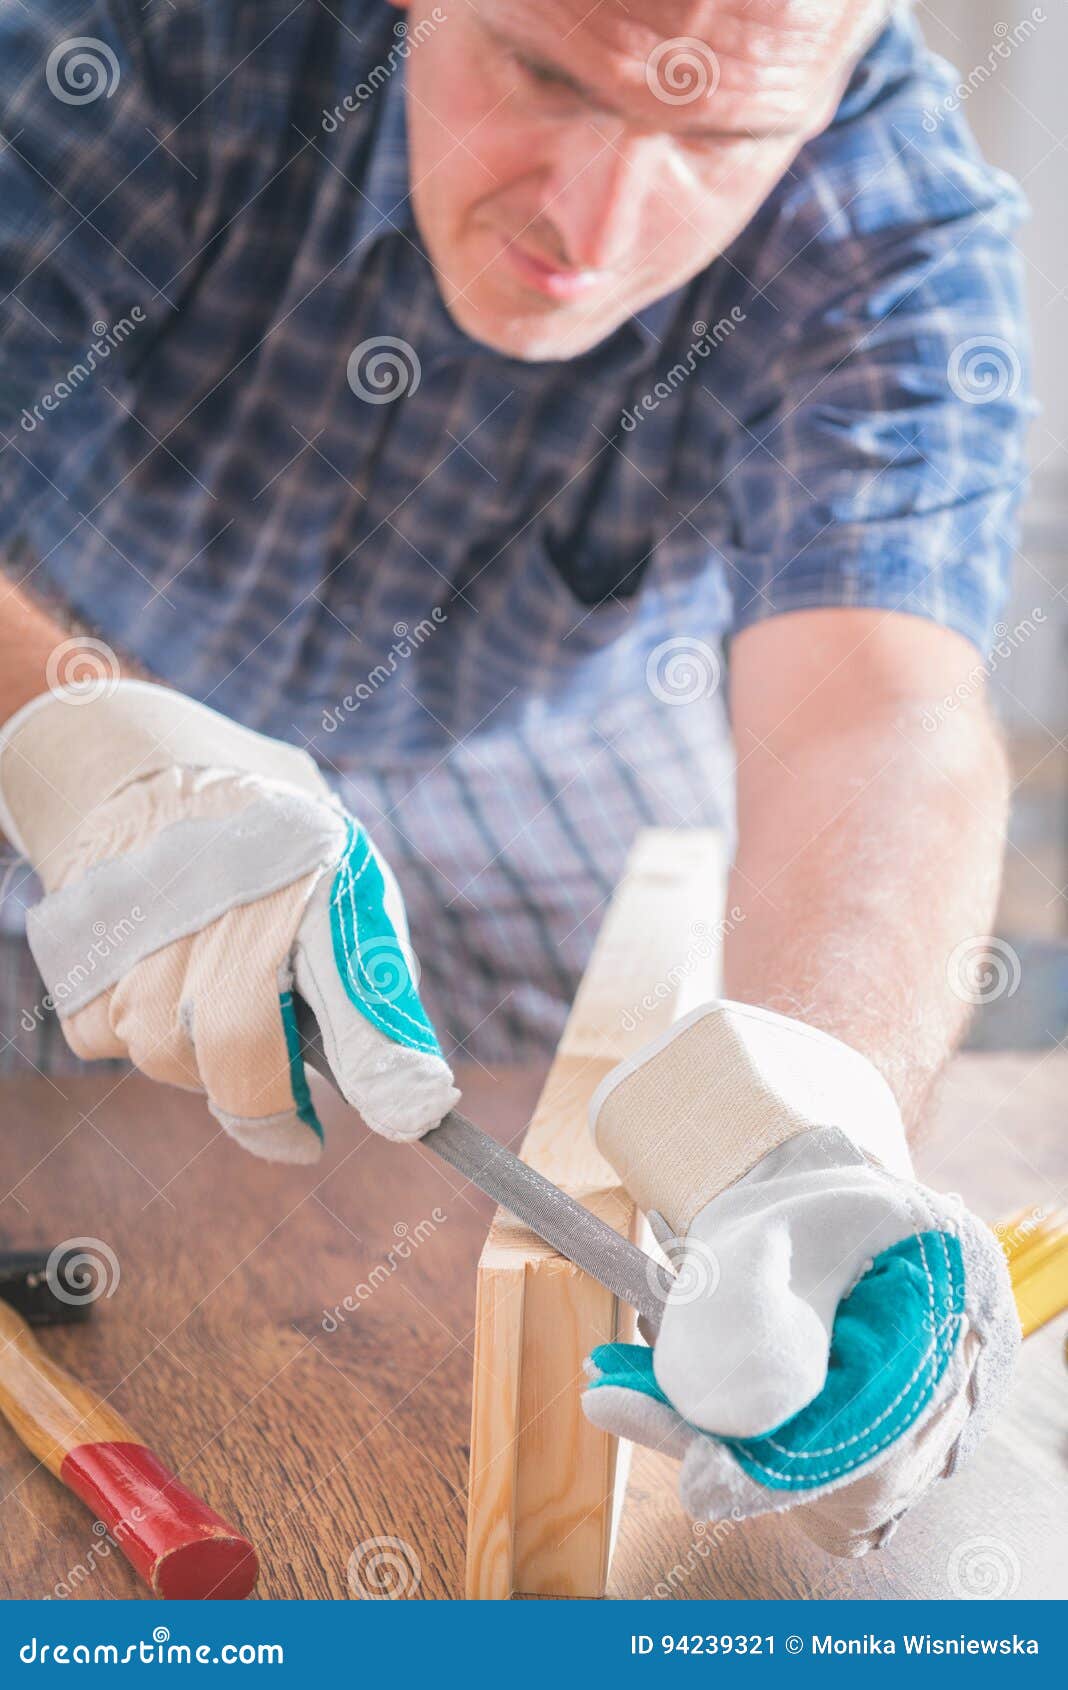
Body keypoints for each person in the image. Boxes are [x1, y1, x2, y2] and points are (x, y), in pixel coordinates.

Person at [0, 0, 1030, 1555]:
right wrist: (66, 735)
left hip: (548, 757)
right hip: (65, 653)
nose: (594, 223)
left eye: (718, 137)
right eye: (544, 74)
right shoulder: (135, 36)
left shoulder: (894, 217)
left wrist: (823, 1117)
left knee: (660, 1130)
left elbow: (877, 716)